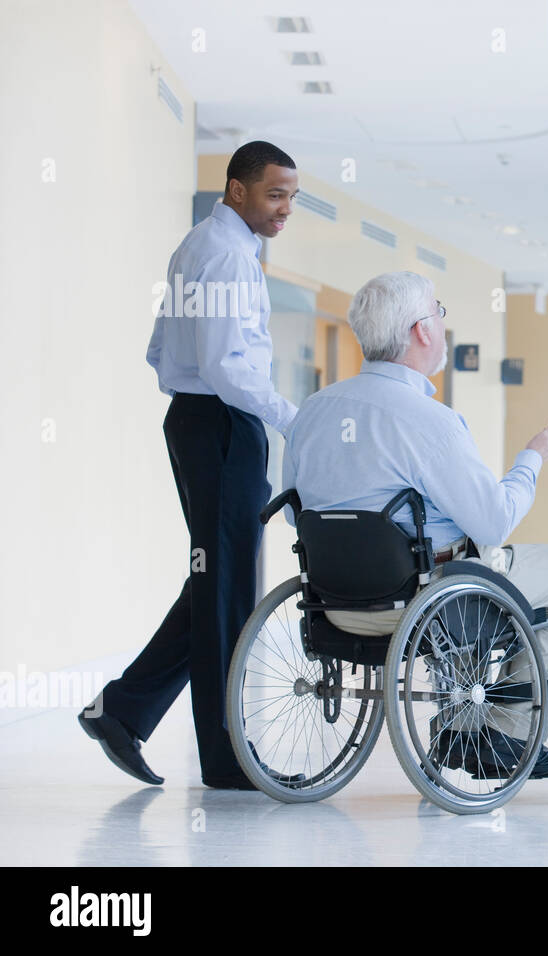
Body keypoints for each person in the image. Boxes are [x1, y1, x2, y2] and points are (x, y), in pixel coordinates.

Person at [283, 270, 548, 776]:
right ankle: (507, 736)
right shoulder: (431, 421)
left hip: (334, 608)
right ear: (422, 330)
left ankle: (461, 731)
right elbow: (493, 523)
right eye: (439, 313)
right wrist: (530, 459)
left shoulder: (312, 412)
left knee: (447, 559)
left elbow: (298, 514)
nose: (442, 326)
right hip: (425, 606)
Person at [80, 141, 301, 789]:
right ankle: (228, 761)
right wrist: (295, 418)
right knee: (225, 586)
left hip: (196, 421)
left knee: (218, 581)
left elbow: (159, 349)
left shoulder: (198, 245)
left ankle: (124, 710)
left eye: (292, 195)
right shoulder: (229, 257)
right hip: (224, 425)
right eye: (274, 194)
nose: (286, 208)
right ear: (237, 190)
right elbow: (228, 367)